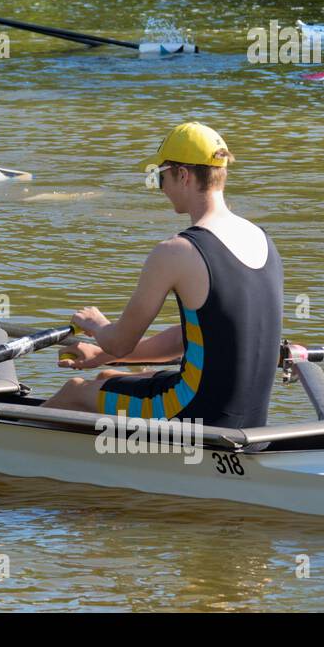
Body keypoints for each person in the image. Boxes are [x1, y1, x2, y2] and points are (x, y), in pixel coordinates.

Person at [44, 122, 283, 429]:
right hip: (249, 416)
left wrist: (96, 325)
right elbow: (198, 335)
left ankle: (4, 461)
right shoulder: (261, 238)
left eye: (161, 178)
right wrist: (103, 356)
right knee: (107, 377)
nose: (161, 188)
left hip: (196, 413)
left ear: (183, 175)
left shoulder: (176, 250)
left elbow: (120, 343)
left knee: (74, 391)